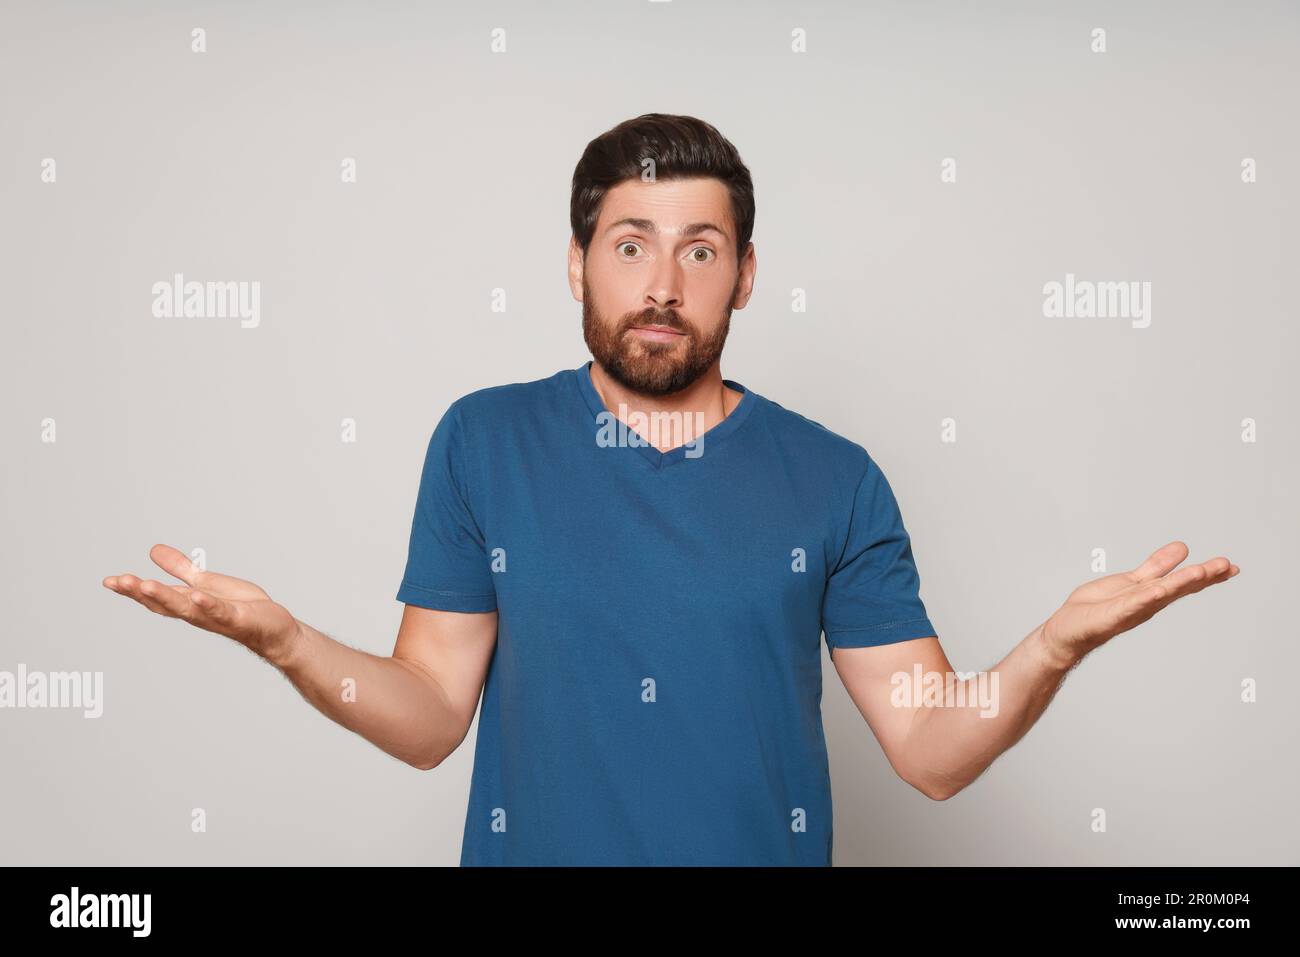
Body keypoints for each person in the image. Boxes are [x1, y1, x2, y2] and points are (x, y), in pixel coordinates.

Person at [103, 113, 1238, 866]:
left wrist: (1051, 647)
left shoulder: (833, 478)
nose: (661, 284)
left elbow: (931, 757)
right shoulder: (483, 441)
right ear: (575, 261)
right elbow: (429, 718)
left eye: (700, 250)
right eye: (630, 244)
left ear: (744, 275)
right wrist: (283, 638)